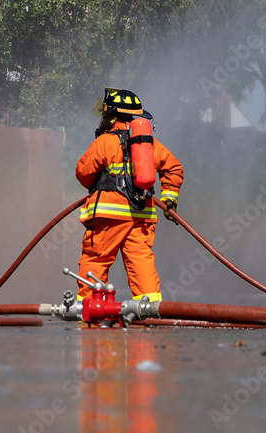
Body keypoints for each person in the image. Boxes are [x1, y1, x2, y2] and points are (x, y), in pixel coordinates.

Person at [73, 87, 183, 305]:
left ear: (112, 118)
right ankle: (149, 309)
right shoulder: (149, 145)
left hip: (108, 217)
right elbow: (173, 167)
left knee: (97, 258)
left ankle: (91, 307)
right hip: (141, 216)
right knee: (140, 261)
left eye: (105, 116)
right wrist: (170, 198)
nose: (102, 121)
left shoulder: (104, 142)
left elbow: (83, 174)